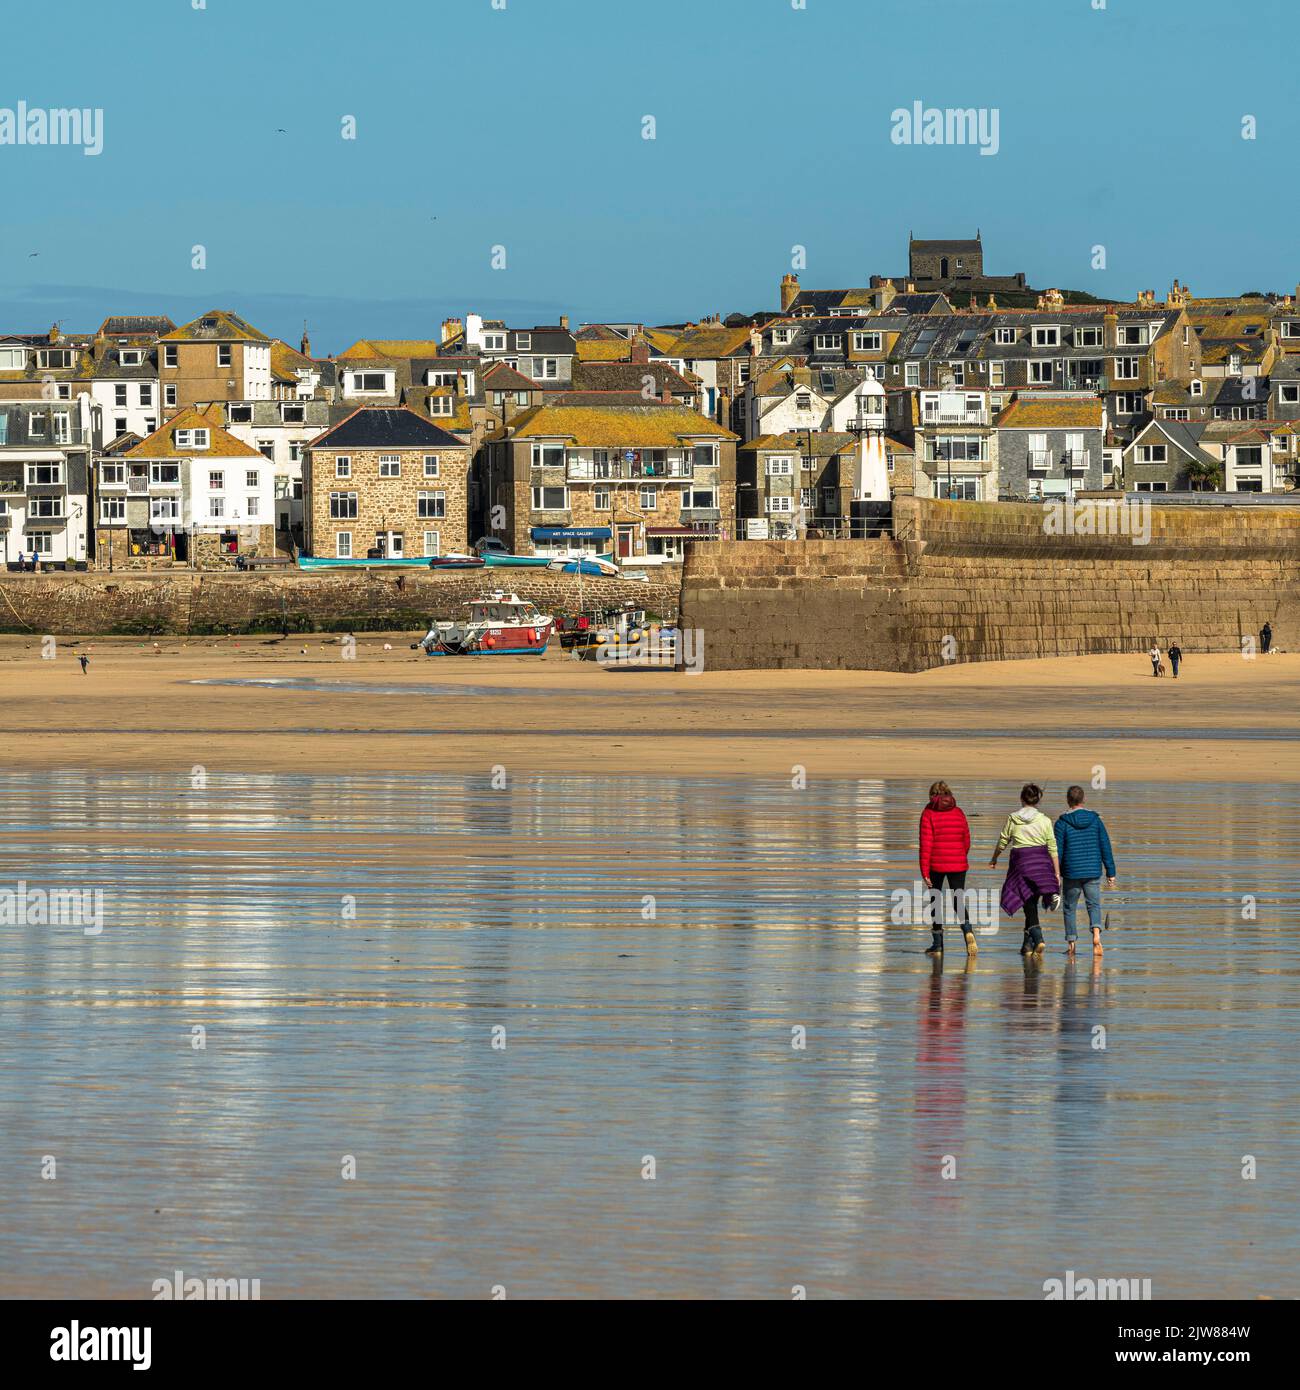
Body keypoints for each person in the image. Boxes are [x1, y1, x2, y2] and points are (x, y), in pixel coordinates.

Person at [989, 783, 1061, 956]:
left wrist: (995, 858)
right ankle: (1027, 945)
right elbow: (1052, 847)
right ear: (1038, 800)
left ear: (1022, 798)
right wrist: (1056, 873)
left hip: (1021, 863)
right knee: (1032, 901)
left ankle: (1038, 937)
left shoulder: (1013, 819)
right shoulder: (1044, 820)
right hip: (1041, 864)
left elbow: (1003, 840)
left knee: (1028, 903)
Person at [1054, 786, 1116, 957]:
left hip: (1071, 871)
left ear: (1068, 800)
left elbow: (1056, 851)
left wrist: (1055, 874)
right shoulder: (1095, 820)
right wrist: (1111, 872)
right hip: (1092, 871)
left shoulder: (1061, 823)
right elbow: (1105, 846)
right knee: (1093, 904)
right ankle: (1096, 934)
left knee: (1069, 908)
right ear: (1083, 800)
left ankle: (1072, 944)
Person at [918, 779, 976, 957]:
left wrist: (924, 871)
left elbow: (926, 845)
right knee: (958, 898)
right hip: (958, 862)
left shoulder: (928, 812)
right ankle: (967, 930)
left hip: (936, 863)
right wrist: (960, 855)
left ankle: (938, 944)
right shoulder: (958, 812)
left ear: (931, 796)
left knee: (935, 900)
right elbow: (966, 839)